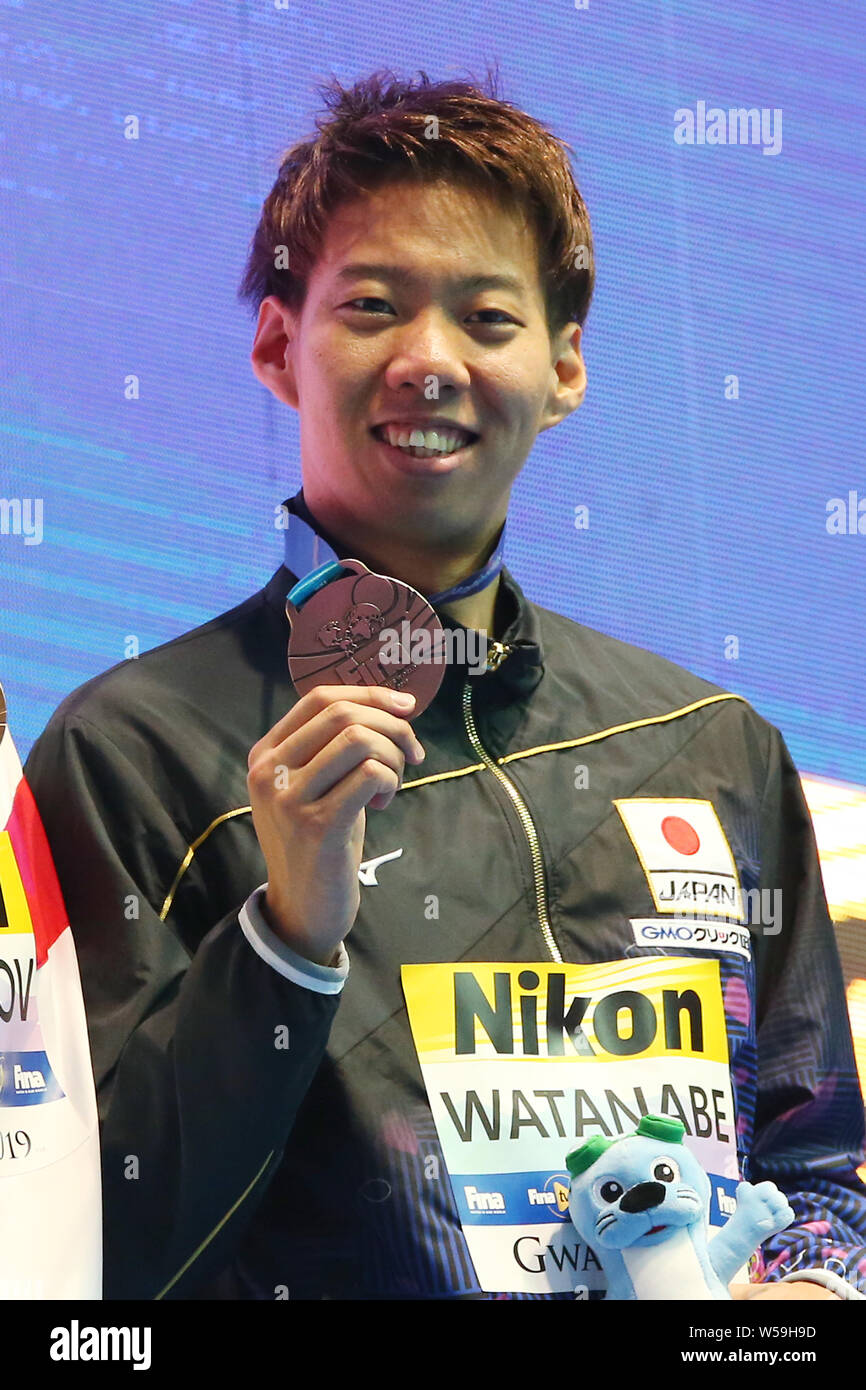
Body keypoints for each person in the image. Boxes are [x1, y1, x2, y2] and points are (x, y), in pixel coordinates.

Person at [24, 70, 866, 1301]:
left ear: (565, 368)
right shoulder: (125, 752)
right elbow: (82, 1254)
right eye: (371, 305)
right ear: (276, 345)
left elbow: (821, 1175)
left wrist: (794, 1302)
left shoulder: (706, 745)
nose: (427, 360)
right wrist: (289, 941)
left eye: (485, 317)